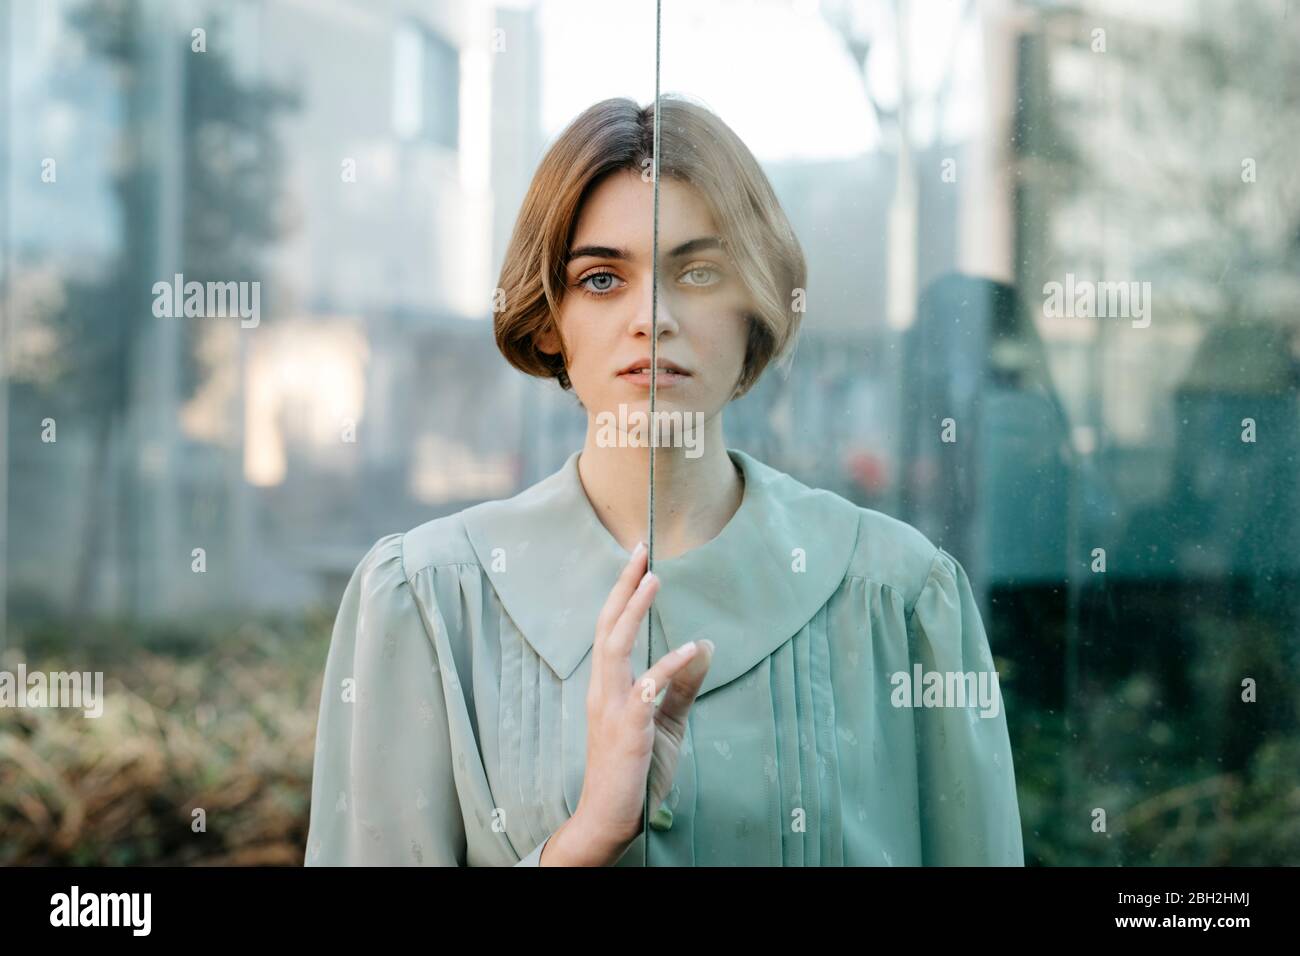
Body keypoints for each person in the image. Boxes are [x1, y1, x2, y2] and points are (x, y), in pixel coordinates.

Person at [304, 95, 1024, 866]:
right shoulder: (427, 598)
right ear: (548, 319)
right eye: (603, 279)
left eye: (701, 271)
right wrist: (584, 840)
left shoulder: (900, 593)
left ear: (756, 307)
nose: (653, 316)